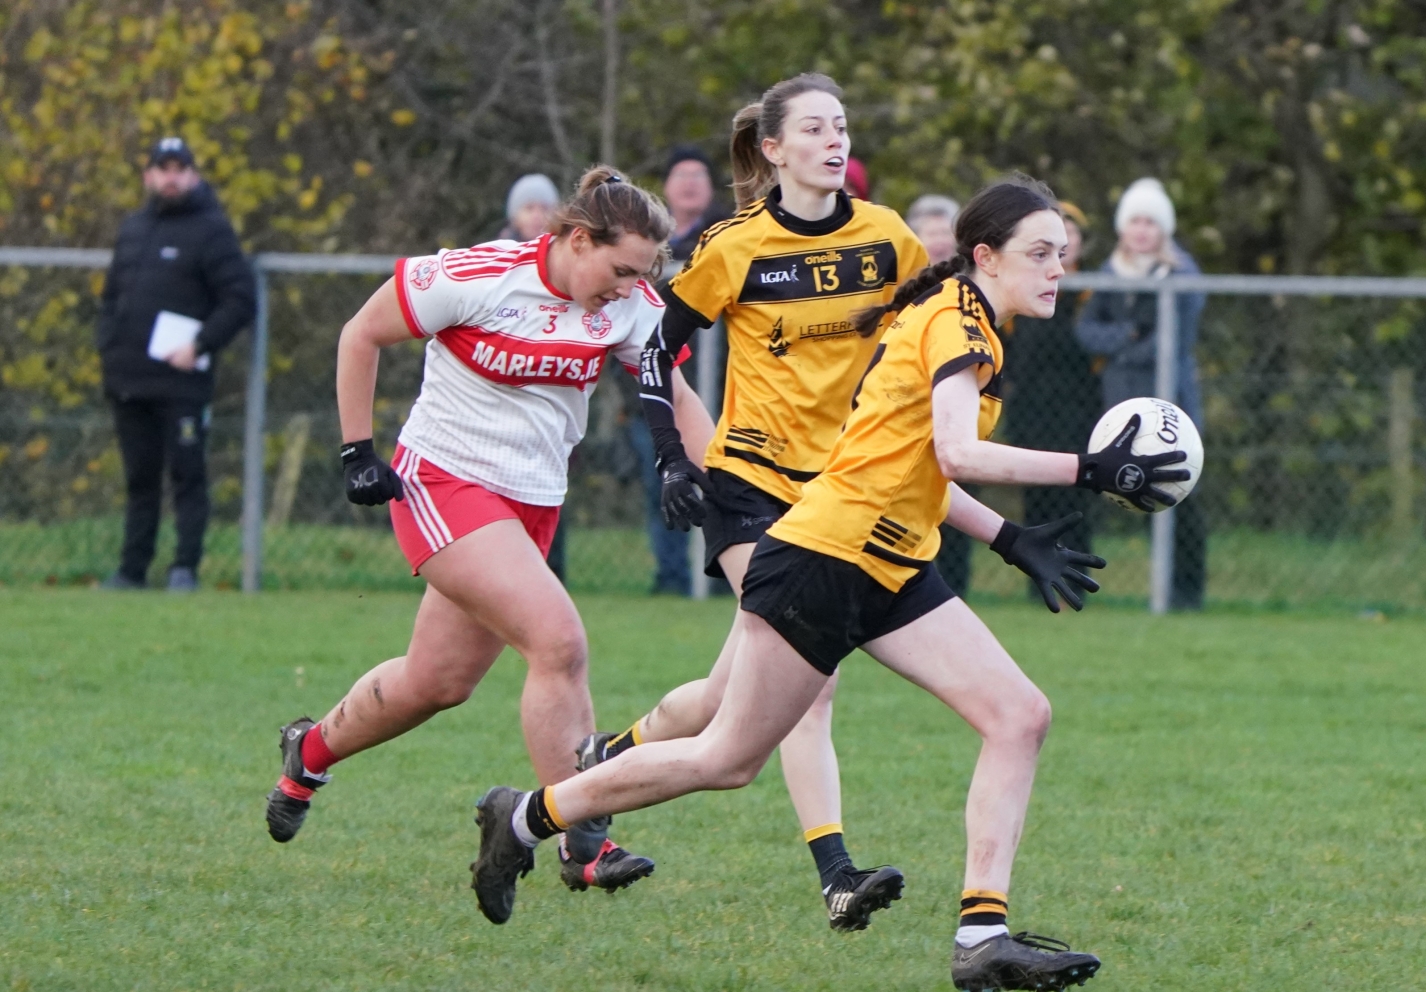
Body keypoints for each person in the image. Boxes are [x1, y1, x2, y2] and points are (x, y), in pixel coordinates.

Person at [470, 177, 1187, 992]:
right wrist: (1091, 471)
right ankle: (524, 817)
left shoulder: (966, 317)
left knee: (1019, 715)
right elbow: (956, 451)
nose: (1057, 268)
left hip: (888, 565)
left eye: (1062, 253)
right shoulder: (959, 321)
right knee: (726, 758)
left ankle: (983, 938)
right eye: (1039, 253)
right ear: (984, 256)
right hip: (822, 559)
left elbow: (918, 466)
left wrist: (1011, 537)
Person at [262, 166, 682, 903]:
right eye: (619, 269)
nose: (627, 288)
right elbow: (361, 332)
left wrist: (707, 476)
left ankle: (309, 751)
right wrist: (357, 450)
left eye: (640, 275)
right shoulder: (476, 275)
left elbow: (676, 395)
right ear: (576, 239)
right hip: (444, 485)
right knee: (558, 641)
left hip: (531, 506)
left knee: (437, 683)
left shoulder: (629, 305)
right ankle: (586, 842)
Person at [578, 74, 929, 932]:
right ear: (773, 149)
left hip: (841, 492)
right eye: (814, 129)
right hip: (752, 490)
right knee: (811, 687)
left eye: (842, 126)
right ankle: (837, 873)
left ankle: (598, 768)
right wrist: (671, 459)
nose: (834, 141)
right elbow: (654, 351)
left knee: (726, 700)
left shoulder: (889, 240)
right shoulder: (734, 244)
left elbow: (932, 337)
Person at [95, 136, 255, 592]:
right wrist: (108, 345)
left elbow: (240, 299)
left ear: (192, 174)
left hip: (182, 384)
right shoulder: (133, 229)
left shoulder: (212, 231)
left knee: (187, 475)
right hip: (128, 380)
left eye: (178, 168)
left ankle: (184, 568)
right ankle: (131, 570)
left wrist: (199, 345)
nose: (170, 177)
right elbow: (111, 298)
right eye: (162, 168)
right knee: (139, 479)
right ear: (148, 175)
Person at [1075, 177, 1208, 608]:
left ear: (1163, 228)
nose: (1142, 230)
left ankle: (1185, 593)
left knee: (1181, 498)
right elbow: (1088, 330)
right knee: (1126, 492)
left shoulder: (1182, 274)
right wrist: (1128, 337)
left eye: (1151, 221)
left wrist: (1129, 346)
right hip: (1122, 401)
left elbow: (1176, 338)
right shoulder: (1110, 274)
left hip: (1173, 402)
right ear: (1122, 227)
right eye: (1135, 220)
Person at [618, 146, 728, 597]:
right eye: (680, 174)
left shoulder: (723, 243)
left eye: (698, 174)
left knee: (726, 486)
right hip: (656, 392)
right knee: (663, 487)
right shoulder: (644, 251)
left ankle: (725, 578)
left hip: (721, 394)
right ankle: (671, 579)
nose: (689, 182)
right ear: (665, 187)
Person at [1001, 201, 1100, 579]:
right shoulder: (1022, 291)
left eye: (1070, 234)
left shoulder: (1090, 291)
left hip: (1078, 408)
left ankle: (1078, 572)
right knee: (1035, 495)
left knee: (1075, 495)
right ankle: (1037, 574)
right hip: (1031, 406)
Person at [495, 174, 574, 582]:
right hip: (503, 401)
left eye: (545, 208)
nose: (537, 216)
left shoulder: (572, 270)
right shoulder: (493, 262)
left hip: (550, 400)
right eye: (529, 207)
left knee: (549, 485)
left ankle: (549, 571)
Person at [908, 193, 976, 593]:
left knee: (954, 488)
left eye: (943, 233)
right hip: (908, 419)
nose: (936, 241)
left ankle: (954, 585)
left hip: (955, 421)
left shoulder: (971, 301)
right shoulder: (900, 295)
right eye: (928, 232)